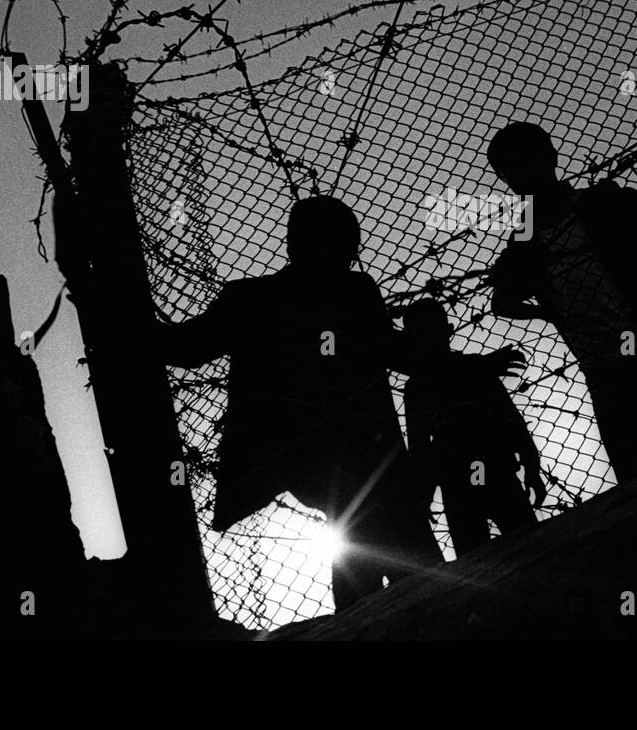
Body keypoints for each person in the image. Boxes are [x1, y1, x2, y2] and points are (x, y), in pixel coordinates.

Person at [152, 196, 444, 610]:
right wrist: (446, 361)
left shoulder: (256, 300)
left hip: (319, 466)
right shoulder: (348, 292)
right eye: (344, 243)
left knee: (367, 573)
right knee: (417, 579)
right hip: (368, 461)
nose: (348, 254)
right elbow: (394, 350)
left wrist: (123, 318)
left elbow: (186, 347)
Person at [486, 121, 637, 484]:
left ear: (550, 158)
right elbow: (503, 301)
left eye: (527, 160)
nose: (522, 174)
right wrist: (550, 312)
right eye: (511, 169)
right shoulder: (525, 239)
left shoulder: (604, 202)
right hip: (603, 366)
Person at [401, 299, 545, 556]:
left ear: (448, 329)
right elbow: (420, 447)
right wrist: (424, 495)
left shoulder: (472, 368)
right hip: (463, 479)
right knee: (487, 558)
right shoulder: (423, 385)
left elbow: (510, 419)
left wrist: (532, 466)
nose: (429, 336)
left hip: (488, 471)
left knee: (527, 548)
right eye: (422, 330)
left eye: (431, 328)